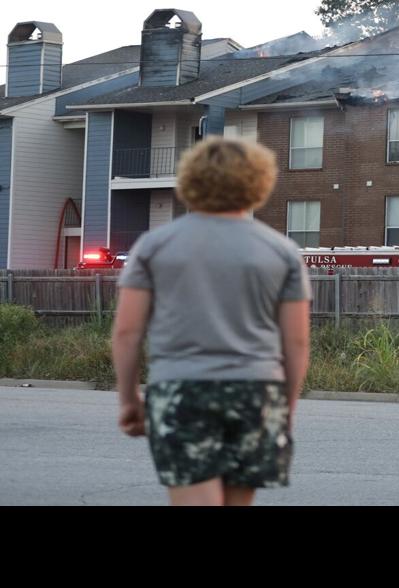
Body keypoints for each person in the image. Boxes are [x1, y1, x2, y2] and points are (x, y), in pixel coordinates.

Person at [110, 138, 311, 506]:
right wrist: (287, 408)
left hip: (181, 388)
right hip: (256, 391)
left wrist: (128, 399)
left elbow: (127, 332)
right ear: (258, 182)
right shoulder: (282, 251)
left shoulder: (154, 245)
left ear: (191, 179)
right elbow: (296, 343)